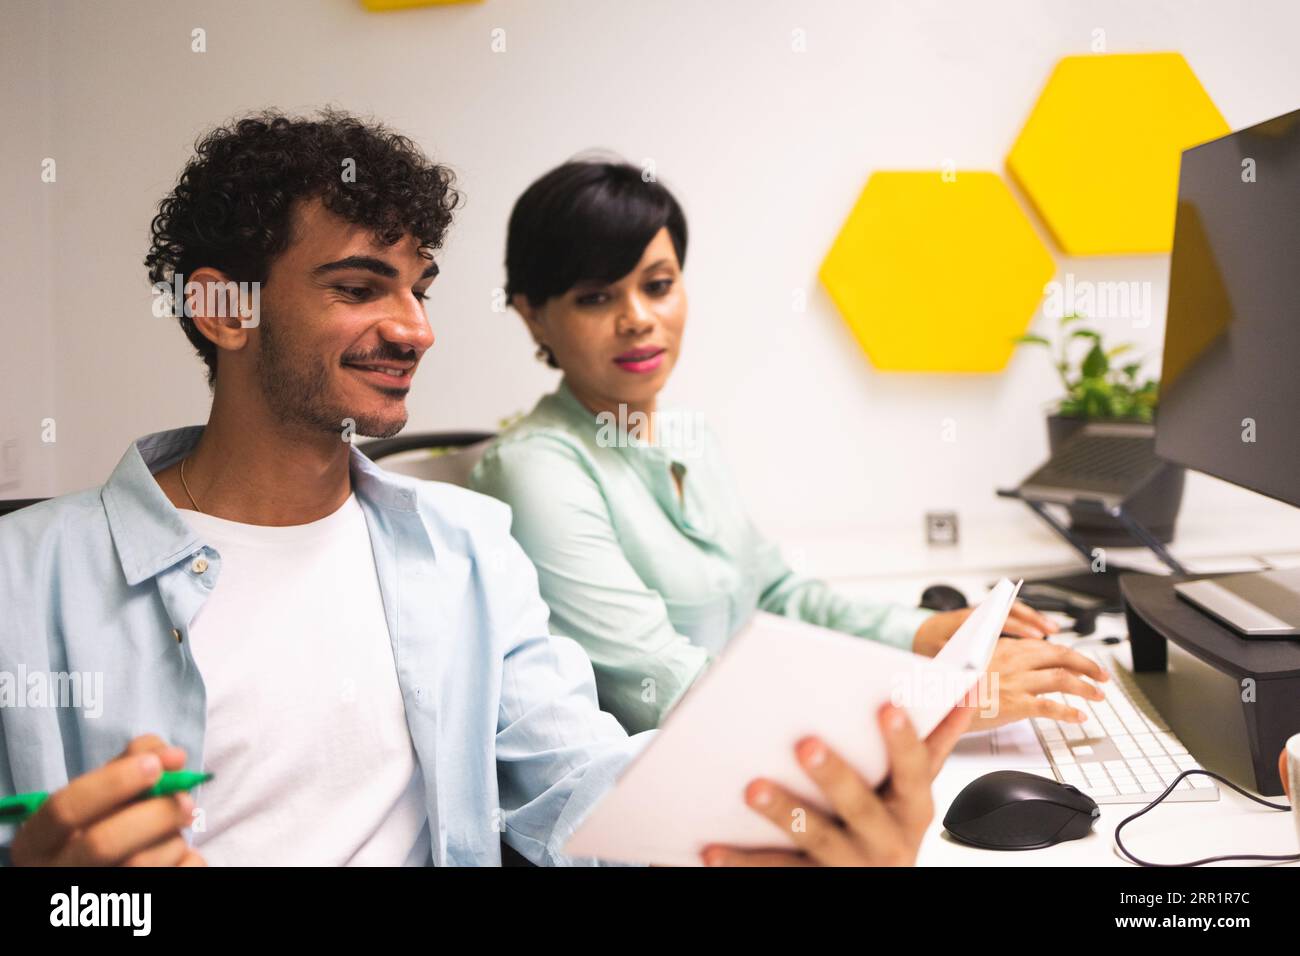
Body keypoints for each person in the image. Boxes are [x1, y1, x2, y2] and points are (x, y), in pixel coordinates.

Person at [0, 110, 969, 868]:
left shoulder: (466, 546)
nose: (415, 326)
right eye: (358, 286)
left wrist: (788, 810)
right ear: (222, 309)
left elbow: (576, 783)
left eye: (419, 286)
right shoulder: (25, 578)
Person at [470, 158, 1110, 735]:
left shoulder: (687, 436)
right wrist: (935, 698)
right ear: (533, 314)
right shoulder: (534, 472)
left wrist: (924, 633)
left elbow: (775, 595)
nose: (638, 317)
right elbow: (667, 687)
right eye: (596, 297)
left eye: (658, 284)